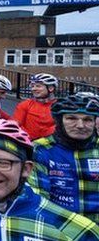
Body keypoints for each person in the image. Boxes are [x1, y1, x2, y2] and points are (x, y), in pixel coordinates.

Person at [32, 94, 99, 222]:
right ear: (59, 121)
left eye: (88, 120)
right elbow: (39, 200)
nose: (80, 125)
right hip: (58, 226)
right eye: (71, 118)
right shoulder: (40, 149)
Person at [13, 72, 59, 140]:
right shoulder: (25, 104)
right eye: (32, 86)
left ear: (51, 88)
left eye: (38, 86)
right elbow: (16, 125)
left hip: (51, 143)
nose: (33, 89)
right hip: (28, 142)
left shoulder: (60, 106)